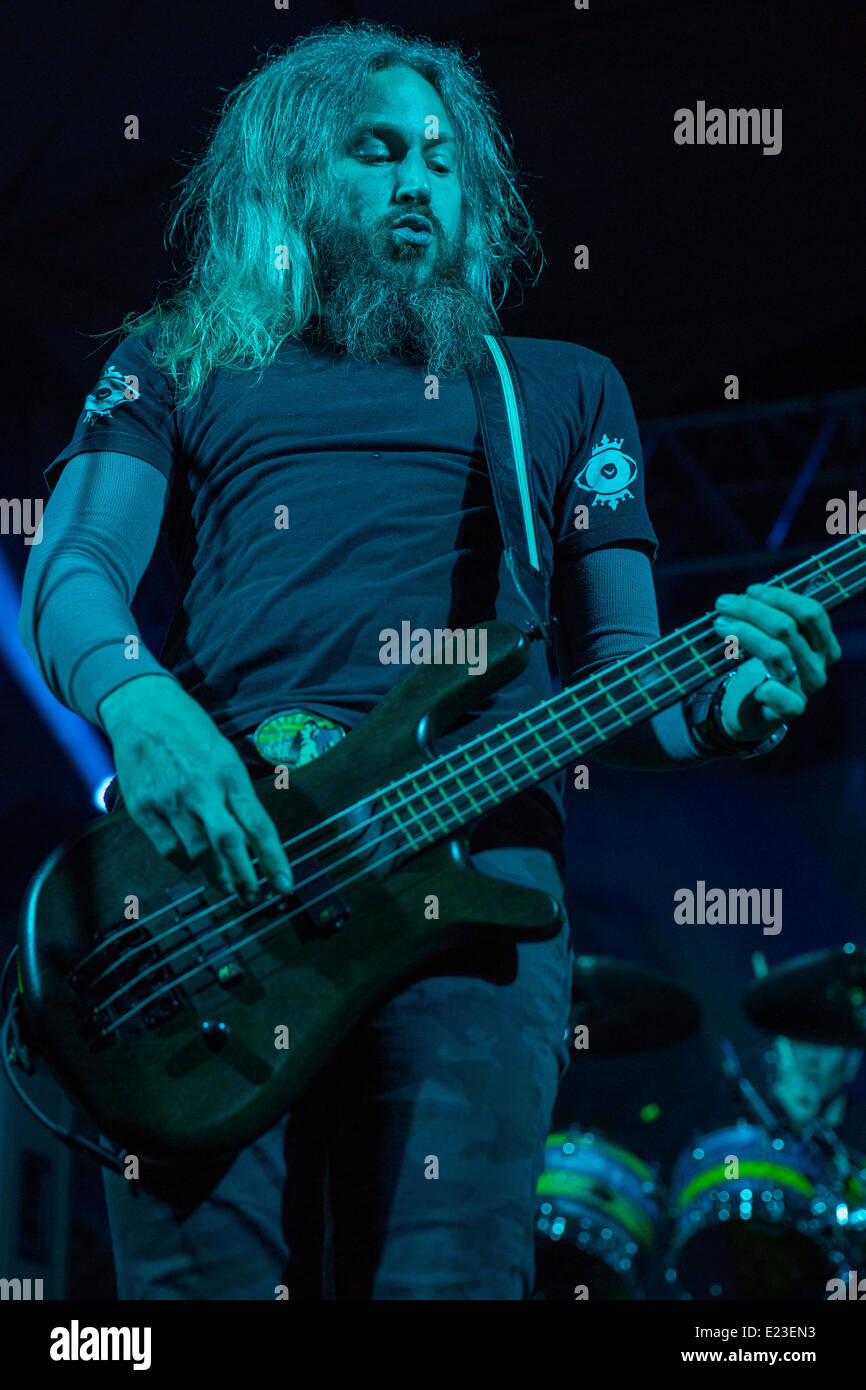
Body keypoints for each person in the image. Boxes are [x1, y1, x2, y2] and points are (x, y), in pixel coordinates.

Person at [17, 21, 841, 1300]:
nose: (419, 181)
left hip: (474, 898)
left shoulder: (558, 391)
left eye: (445, 160)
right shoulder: (178, 365)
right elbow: (70, 577)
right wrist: (138, 702)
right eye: (377, 150)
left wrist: (731, 711)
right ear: (293, 177)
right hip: (221, 884)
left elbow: (631, 683)